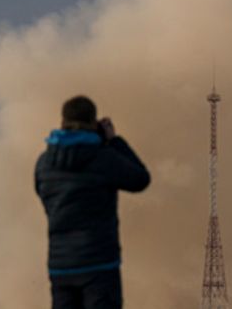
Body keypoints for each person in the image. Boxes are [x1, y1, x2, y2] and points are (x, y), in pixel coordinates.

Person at [35, 95, 152, 309]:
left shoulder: (44, 163)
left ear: (62, 122)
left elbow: (43, 196)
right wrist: (114, 141)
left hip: (60, 267)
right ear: (93, 122)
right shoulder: (103, 158)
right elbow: (140, 179)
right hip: (99, 265)